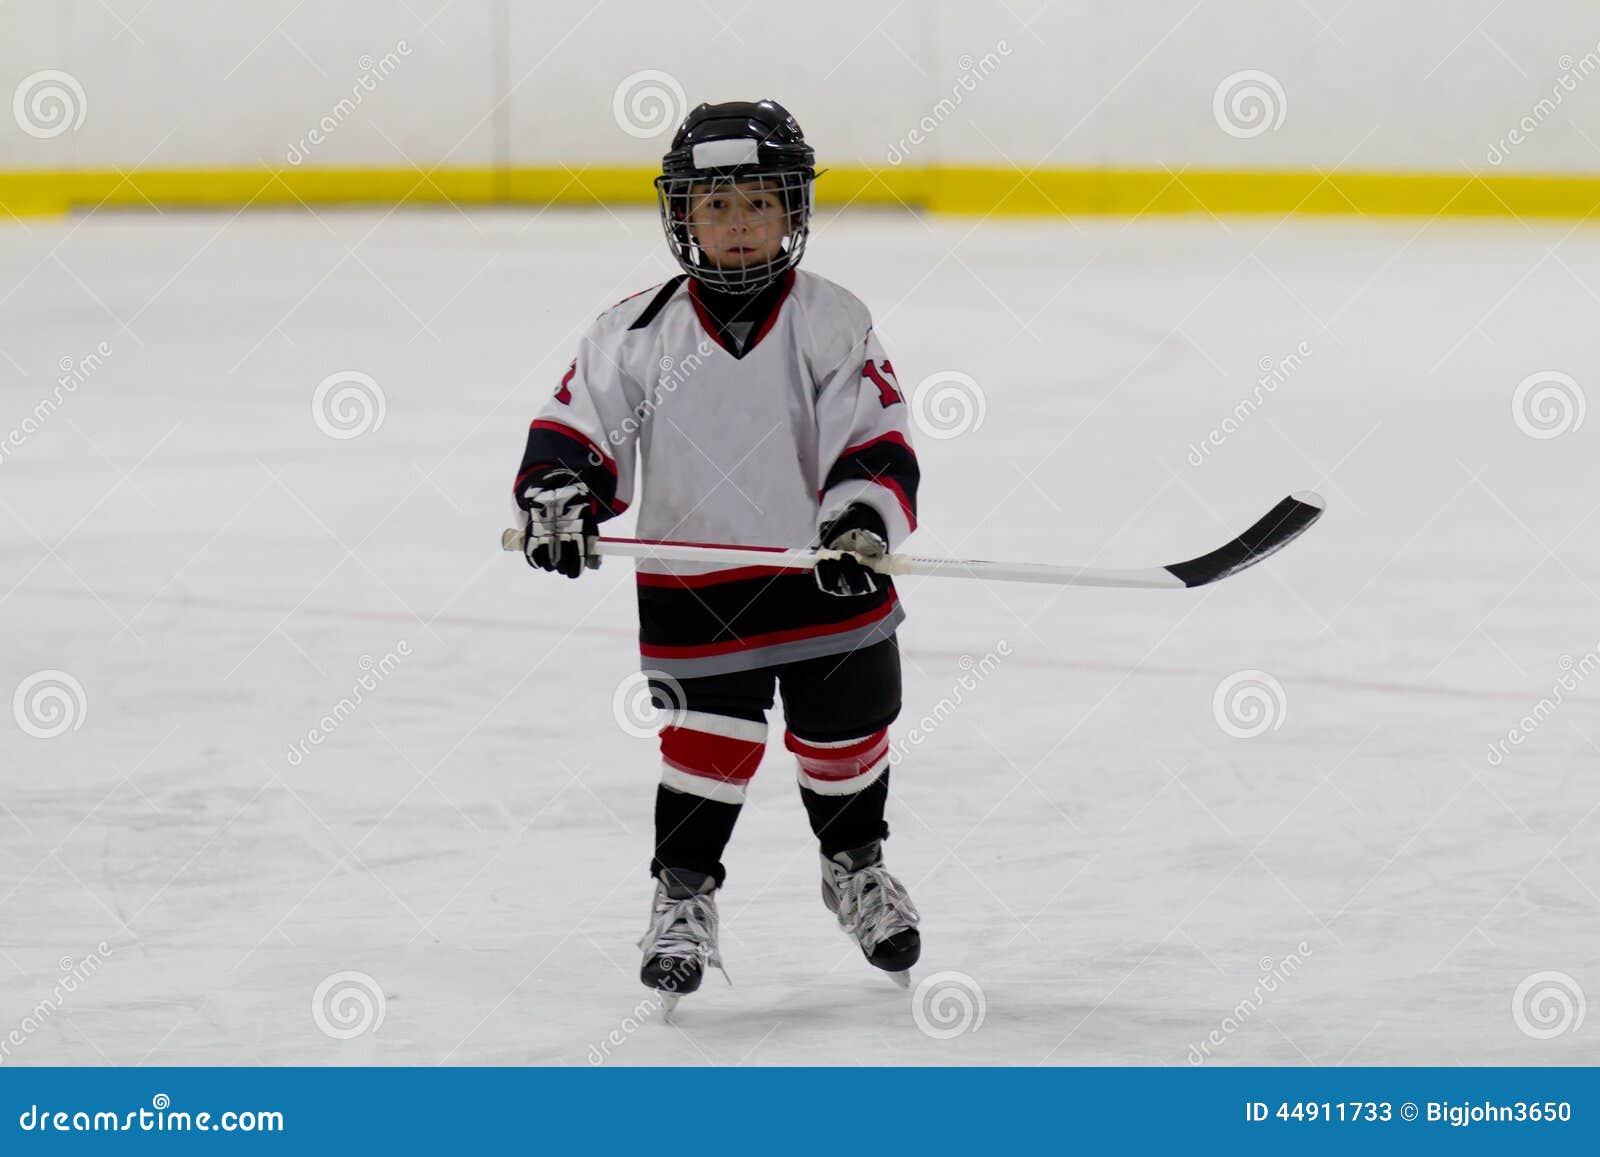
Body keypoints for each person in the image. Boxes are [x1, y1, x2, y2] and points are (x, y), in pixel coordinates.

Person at [511, 99, 922, 1006]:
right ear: (682, 217)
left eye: (760, 204)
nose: (739, 226)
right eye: (717, 206)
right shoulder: (634, 331)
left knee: (848, 737)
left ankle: (854, 868)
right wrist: (561, 495)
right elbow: (578, 429)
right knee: (706, 745)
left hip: (827, 577)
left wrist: (860, 521)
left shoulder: (835, 319)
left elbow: (878, 436)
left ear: (794, 211)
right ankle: (684, 894)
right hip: (696, 587)